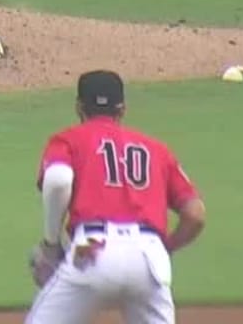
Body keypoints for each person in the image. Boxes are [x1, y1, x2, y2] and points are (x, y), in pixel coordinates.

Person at [25, 70, 208, 324]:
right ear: (122, 110)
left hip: (93, 251)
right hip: (149, 258)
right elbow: (195, 214)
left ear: (79, 107)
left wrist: (51, 245)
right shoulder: (157, 149)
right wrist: (167, 247)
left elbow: (57, 181)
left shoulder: (67, 140)